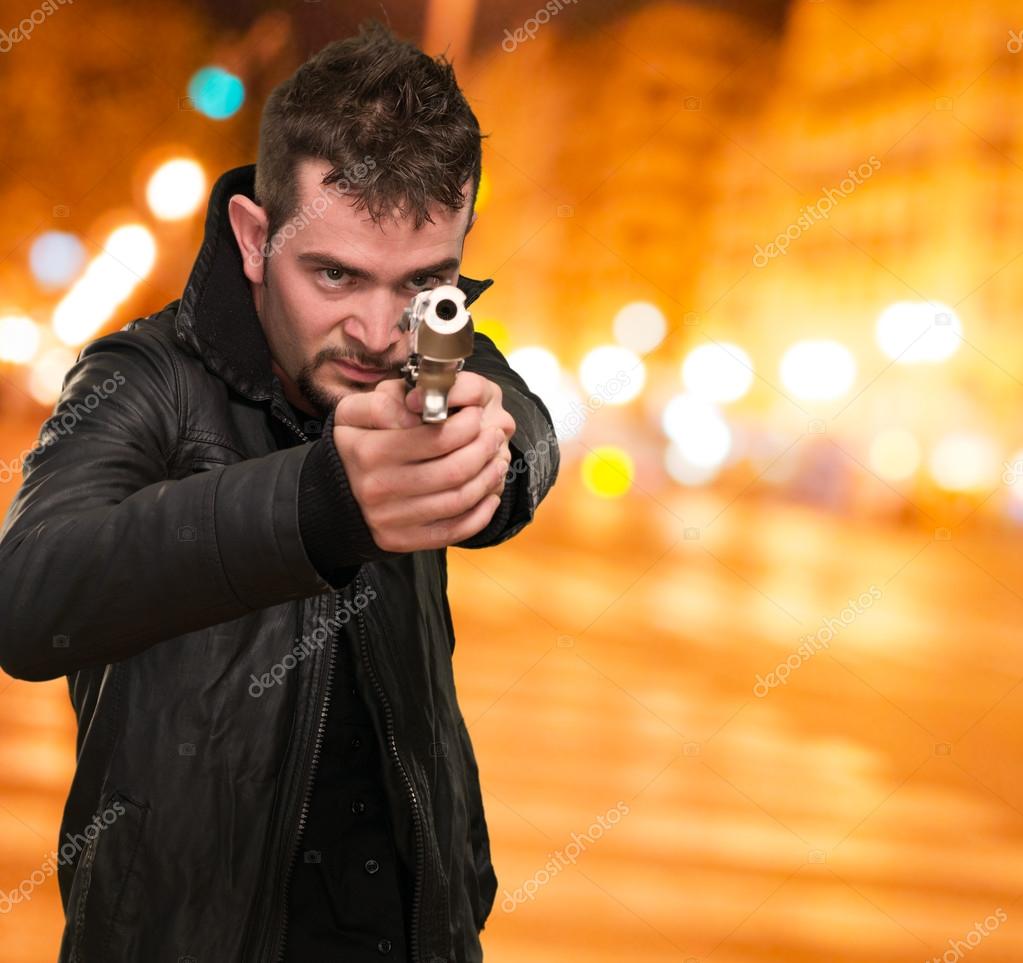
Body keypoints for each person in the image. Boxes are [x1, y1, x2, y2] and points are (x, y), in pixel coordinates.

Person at [0, 19, 559, 963]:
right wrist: (319, 506)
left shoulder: (430, 352)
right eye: (334, 274)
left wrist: (499, 466)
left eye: (422, 283)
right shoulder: (144, 378)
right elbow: (26, 601)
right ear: (255, 239)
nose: (377, 332)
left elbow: (523, 419)